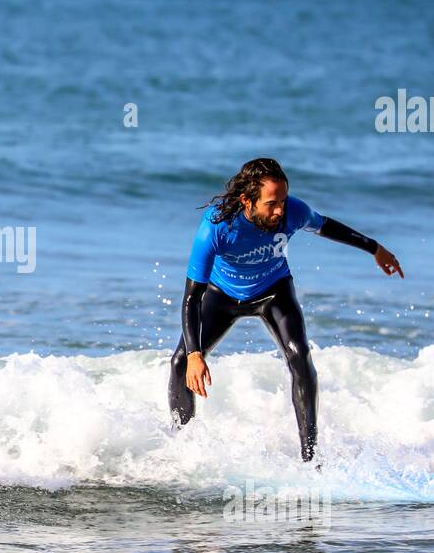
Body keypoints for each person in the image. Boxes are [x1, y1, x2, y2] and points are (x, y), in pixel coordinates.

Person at [167, 158, 404, 462]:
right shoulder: (216, 227)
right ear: (246, 201)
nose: (280, 210)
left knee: (300, 357)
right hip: (221, 296)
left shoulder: (294, 212)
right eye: (271, 203)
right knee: (179, 362)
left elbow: (326, 226)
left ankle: (310, 458)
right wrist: (195, 355)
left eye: (283, 200)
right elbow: (191, 298)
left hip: (273, 292)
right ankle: (181, 446)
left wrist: (374, 247)